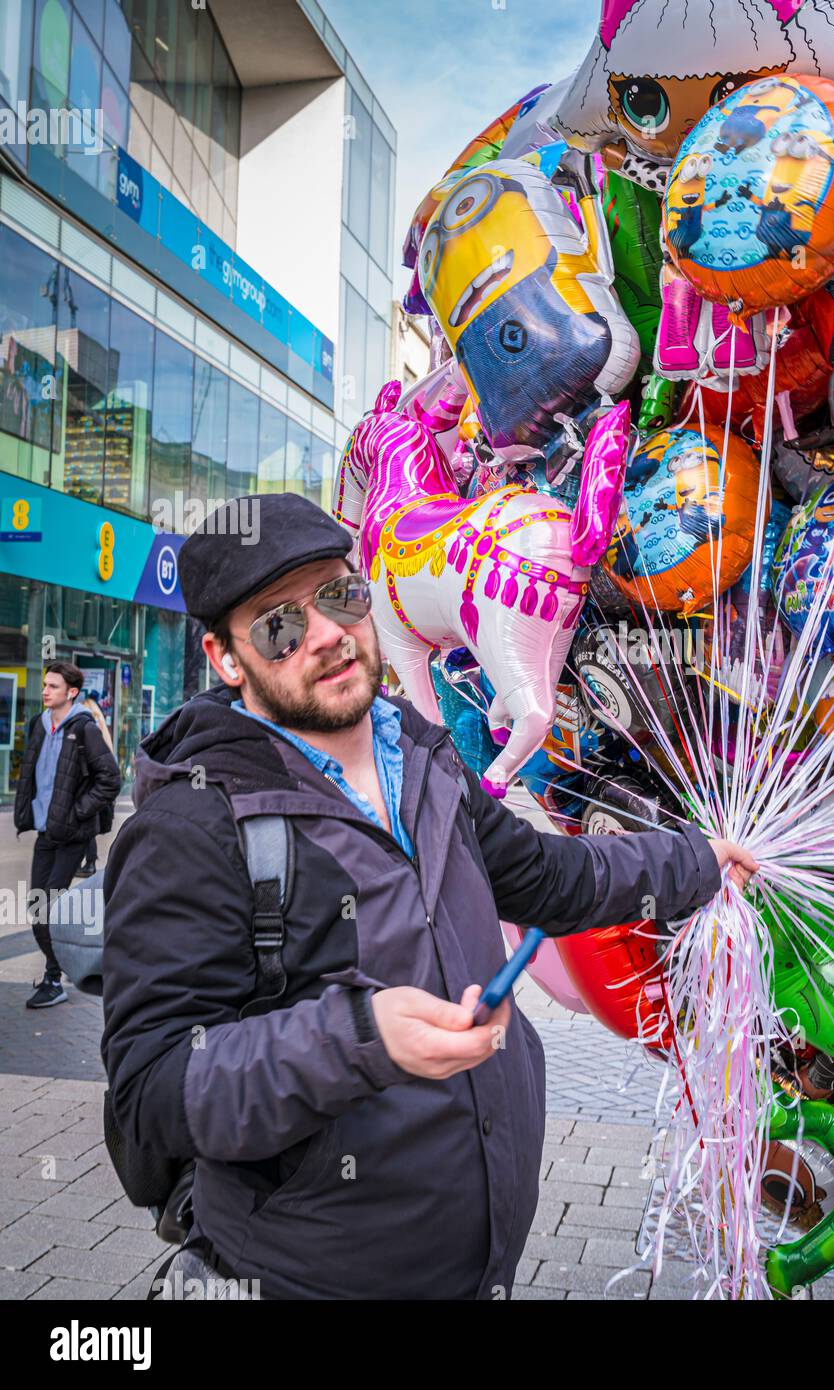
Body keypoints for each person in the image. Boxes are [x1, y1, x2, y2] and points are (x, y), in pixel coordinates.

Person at [101, 493, 757, 1300]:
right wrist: (360, 1037)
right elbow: (155, 1088)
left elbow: (548, 878)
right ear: (226, 658)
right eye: (279, 625)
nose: (329, 636)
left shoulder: (422, 751)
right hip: (307, 1279)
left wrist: (696, 862)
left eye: (341, 596)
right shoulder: (192, 821)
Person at [14, 660, 122, 1008]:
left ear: (71, 692)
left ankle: (53, 977)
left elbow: (110, 779)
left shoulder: (84, 728)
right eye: (45, 685)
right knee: (37, 909)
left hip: (71, 835)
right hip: (46, 832)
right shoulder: (40, 725)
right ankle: (61, 967)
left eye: (53, 686)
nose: (45, 690)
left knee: (49, 910)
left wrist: (77, 813)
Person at [74, 692, 113, 878]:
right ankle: (89, 861)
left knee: (87, 824)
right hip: (97, 784)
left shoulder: (87, 728)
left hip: (89, 782)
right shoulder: (101, 727)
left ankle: (89, 862)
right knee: (89, 825)